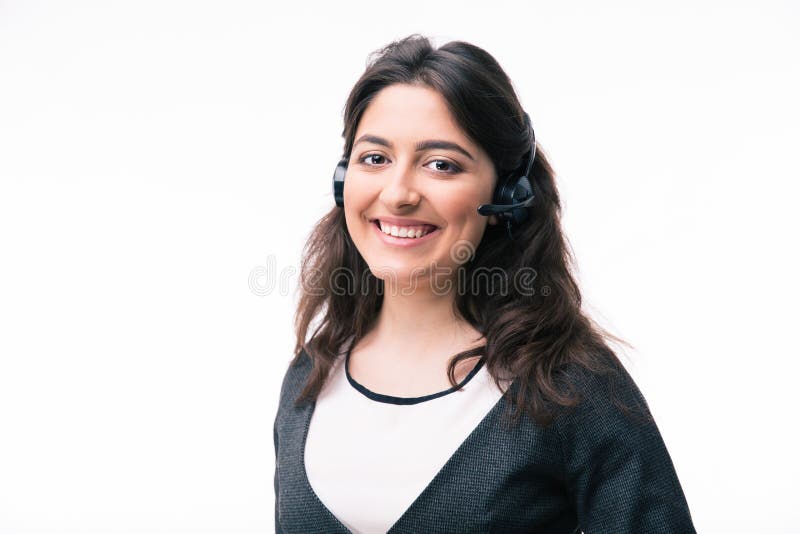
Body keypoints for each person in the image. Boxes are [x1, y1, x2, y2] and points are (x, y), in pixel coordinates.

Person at [273, 34, 696, 533]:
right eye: (375, 158)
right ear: (344, 181)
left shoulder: (567, 385)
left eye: (441, 165)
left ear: (506, 196)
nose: (399, 193)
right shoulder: (309, 379)